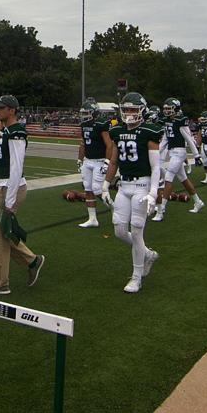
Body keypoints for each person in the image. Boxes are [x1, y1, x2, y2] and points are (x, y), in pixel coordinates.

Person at [0, 94, 43, 295]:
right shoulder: (6, 130)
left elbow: (16, 167)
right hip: (2, 185)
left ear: (12, 110)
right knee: (3, 233)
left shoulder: (16, 132)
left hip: (8, 187)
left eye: (2, 107)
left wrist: (10, 201)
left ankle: (1, 283)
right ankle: (32, 261)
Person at [104, 92, 162, 293]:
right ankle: (147, 253)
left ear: (142, 111)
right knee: (119, 231)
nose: (129, 113)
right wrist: (105, 185)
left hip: (142, 186)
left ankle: (136, 277)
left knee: (137, 231)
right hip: (124, 186)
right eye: (126, 109)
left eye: (133, 109)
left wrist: (153, 193)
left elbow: (156, 167)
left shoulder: (149, 131)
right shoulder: (117, 131)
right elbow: (113, 161)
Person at [154, 97, 204, 220]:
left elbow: (189, 139)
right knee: (184, 179)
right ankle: (198, 202)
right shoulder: (167, 121)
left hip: (179, 152)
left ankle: (161, 210)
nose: (166, 111)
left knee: (168, 177)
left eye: (169, 109)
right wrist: (156, 152)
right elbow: (166, 139)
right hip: (172, 152)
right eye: (165, 109)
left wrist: (196, 155)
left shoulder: (181, 120)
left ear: (176, 108)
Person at [75, 98, 110, 228]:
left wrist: (107, 161)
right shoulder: (84, 125)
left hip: (99, 161)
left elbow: (109, 145)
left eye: (86, 112)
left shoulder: (101, 124)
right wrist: (79, 159)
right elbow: (83, 144)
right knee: (88, 189)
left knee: (97, 189)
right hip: (88, 161)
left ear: (94, 112)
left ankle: (115, 208)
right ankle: (92, 219)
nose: (84, 115)